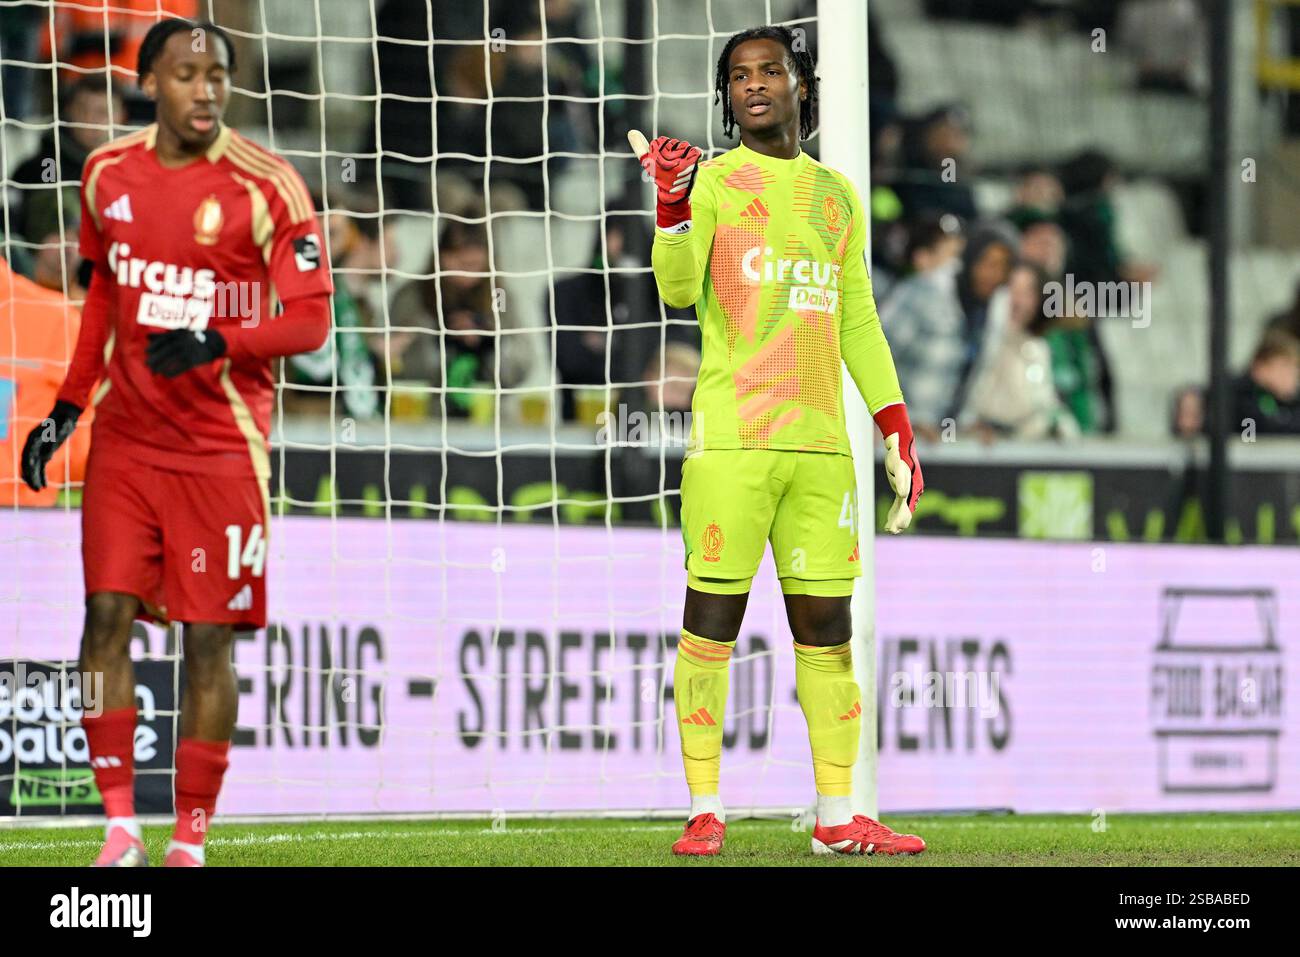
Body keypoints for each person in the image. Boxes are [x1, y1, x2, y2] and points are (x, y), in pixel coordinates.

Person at [20, 19, 332, 867]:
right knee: (103, 616)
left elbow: (310, 320)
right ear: (149, 83)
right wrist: (64, 411)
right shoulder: (104, 174)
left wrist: (218, 340)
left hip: (219, 446)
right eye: (188, 74)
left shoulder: (269, 186)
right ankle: (119, 825)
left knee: (205, 635)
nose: (206, 90)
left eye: (218, 76)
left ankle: (189, 837)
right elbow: (103, 309)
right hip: (125, 438)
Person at [640, 24, 925, 858]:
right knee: (711, 624)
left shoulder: (837, 196)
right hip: (733, 442)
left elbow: (858, 320)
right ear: (726, 97)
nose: (754, 84)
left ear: (802, 82)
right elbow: (677, 290)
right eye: (737, 76)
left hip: (820, 450)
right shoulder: (714, 183)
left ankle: (837, 818)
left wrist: (894, 421)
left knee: (827, 631)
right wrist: (669, 204)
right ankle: (704, 805)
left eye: (770, 70)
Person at [1, 255, 94, 507]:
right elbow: (80, 448)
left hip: (20, 512)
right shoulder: (59, 319)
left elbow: (80, 446)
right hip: (23, 512)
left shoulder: (59, 321)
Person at [964, 262, 1079, 439]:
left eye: (1027, 293)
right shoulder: (978, 338)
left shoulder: (1039, 348)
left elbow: (1043, 404)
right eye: (1011, 288)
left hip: (1020, 445)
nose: (1017, 300)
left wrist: (1060, 425)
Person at [878, 212, 966, 438]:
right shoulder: (912, 295)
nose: (957, 264)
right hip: (903, 430)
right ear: (922, 258)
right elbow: (881, 357)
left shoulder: (954, 300)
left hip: (933, 431)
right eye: (949, 254)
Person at [1232, 329, 1300, 435]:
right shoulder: (1237, 395)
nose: (1293, 375)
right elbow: (1255, 429)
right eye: (1285, 366)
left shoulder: (1291, 401)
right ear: (1260, 368)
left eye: (1295, 368)